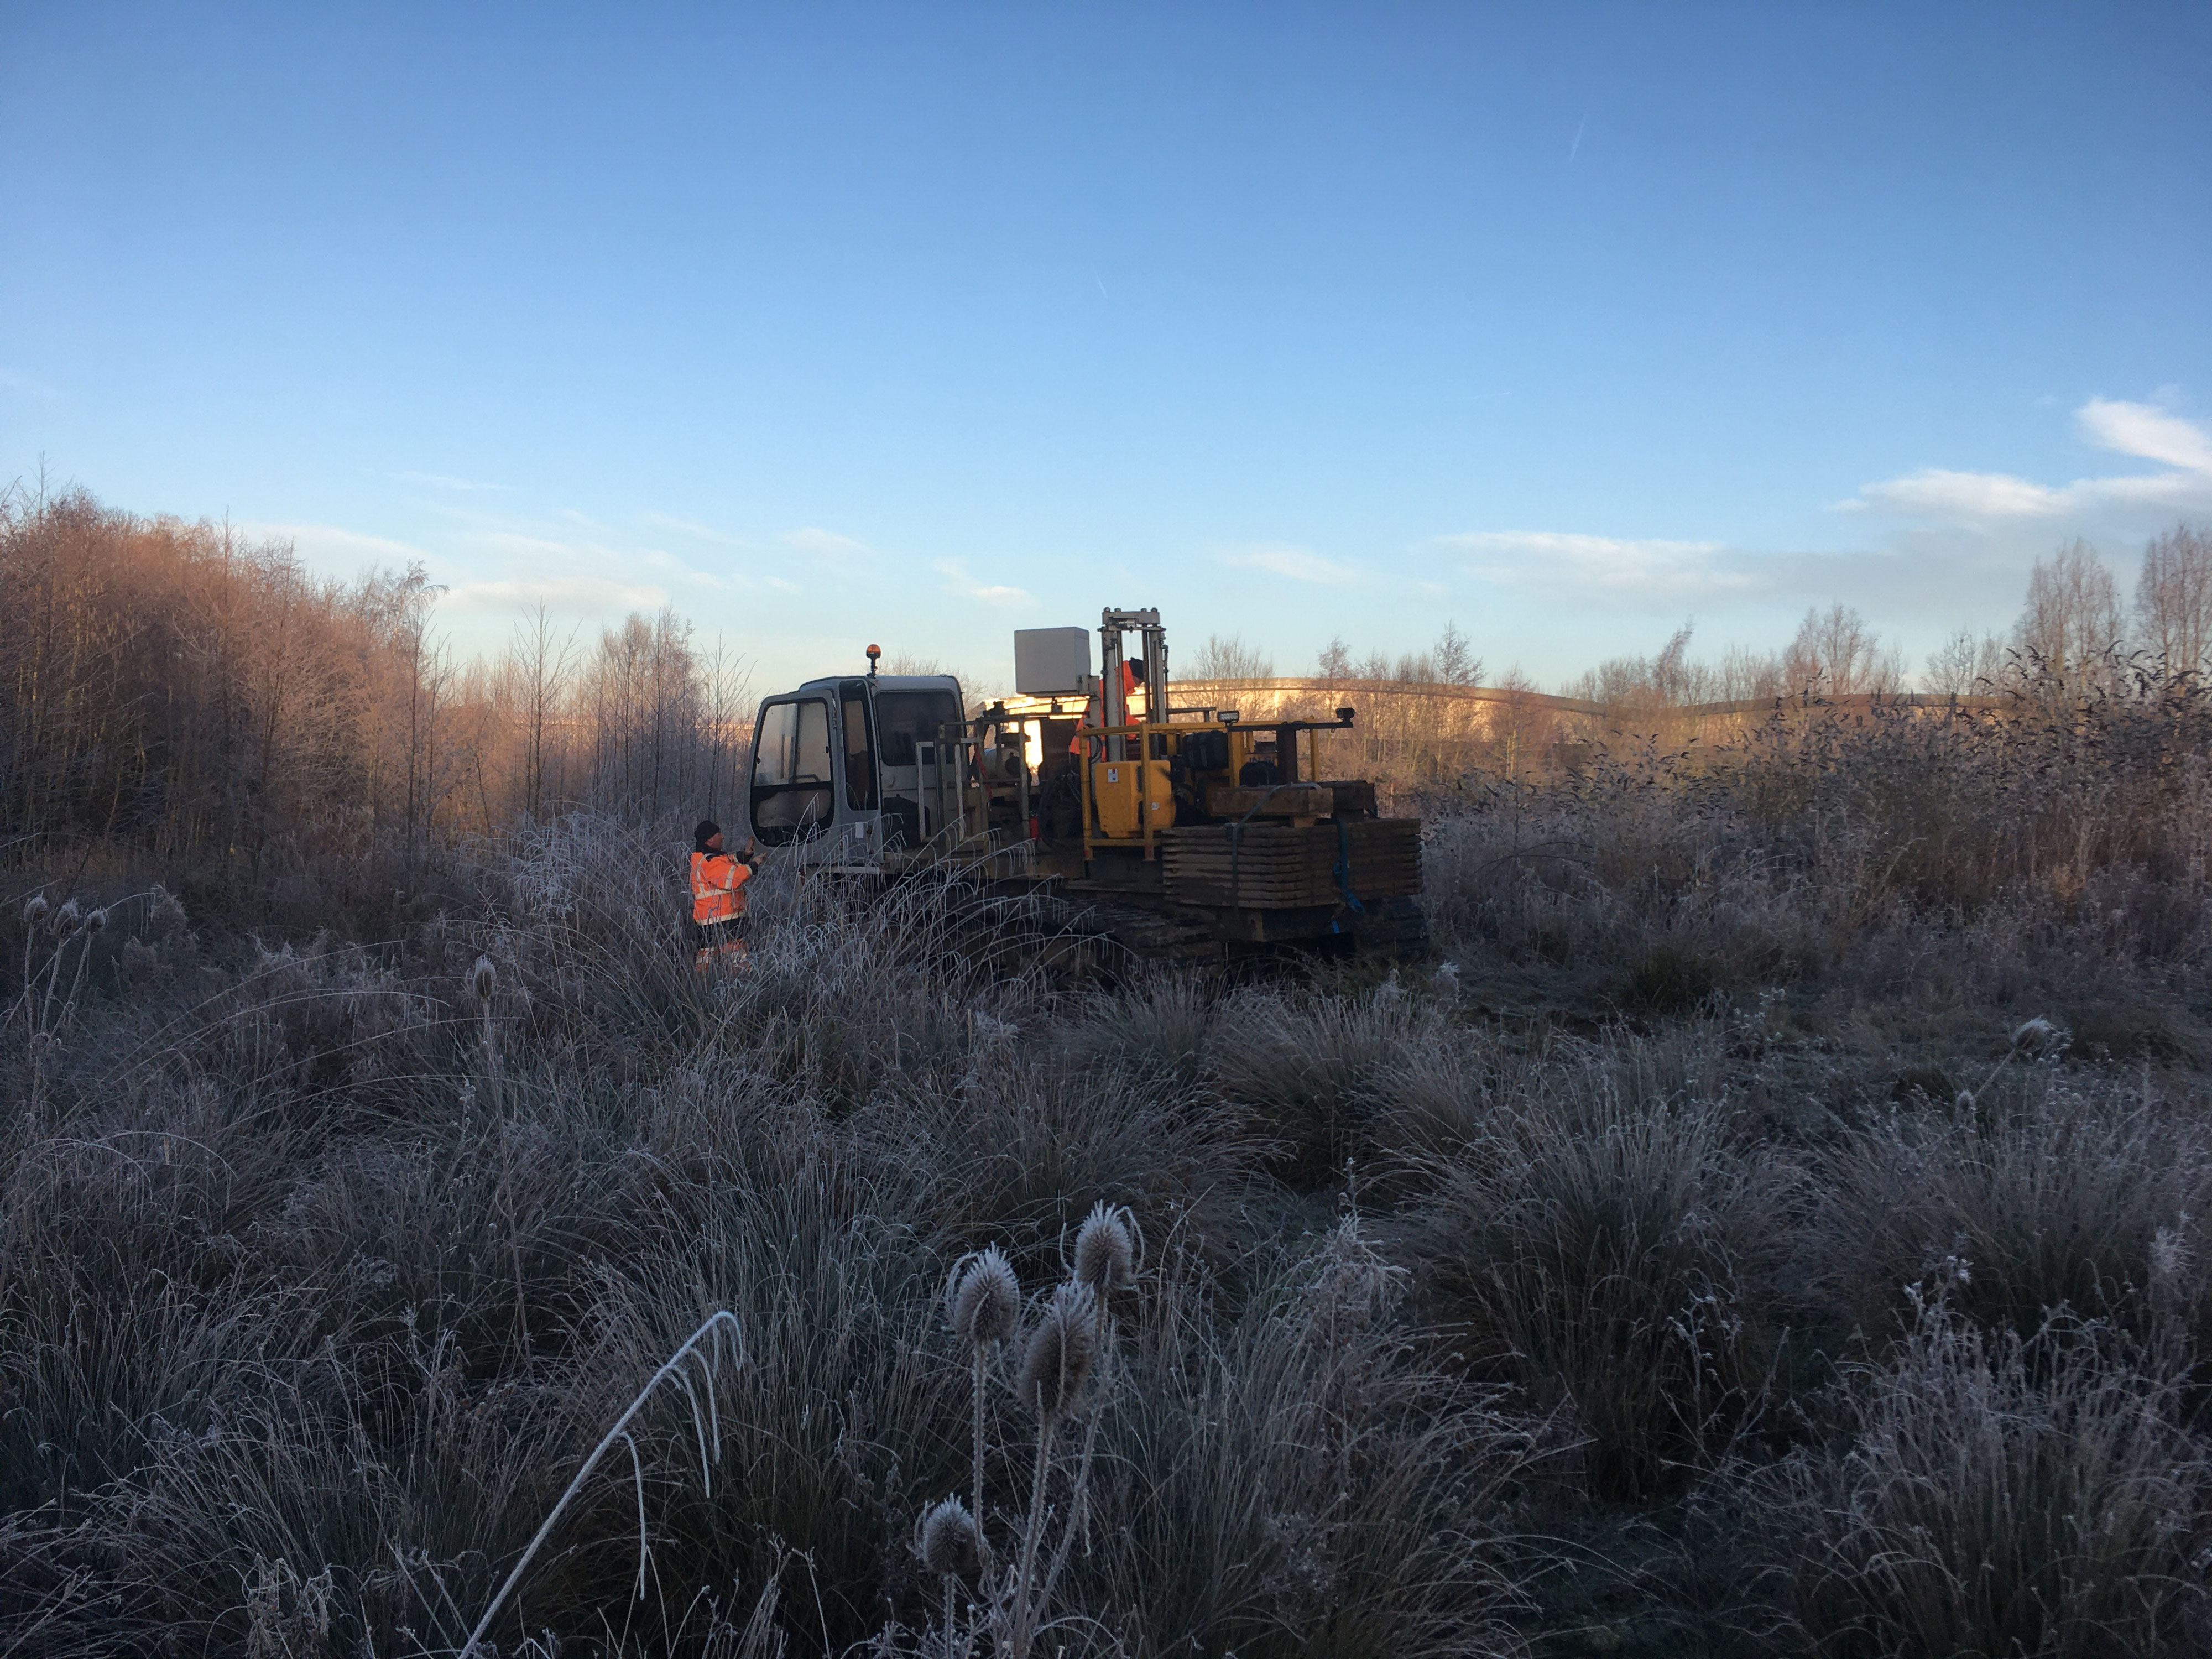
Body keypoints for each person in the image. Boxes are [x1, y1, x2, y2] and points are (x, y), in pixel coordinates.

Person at [690, 820, 758, 974]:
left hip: (717, 921)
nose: (723, 837)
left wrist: (746, 855)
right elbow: (732, 879)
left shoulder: (711, 857)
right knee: (737, 961)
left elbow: (729, 862)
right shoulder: (708, 860)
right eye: (718, 834)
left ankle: (703, 987)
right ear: (709, 839)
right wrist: (754, 865)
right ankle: (737, 987)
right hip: (721, 921)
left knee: (707, 960)